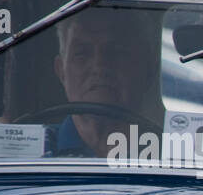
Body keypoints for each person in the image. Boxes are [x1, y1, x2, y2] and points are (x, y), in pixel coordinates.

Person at [51, 9, 163, 157]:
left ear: (148, 69)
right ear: (61, 71)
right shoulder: (31, 151)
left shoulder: (174, 156)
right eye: (81, 54)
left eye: (116, 52)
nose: (99, 67)